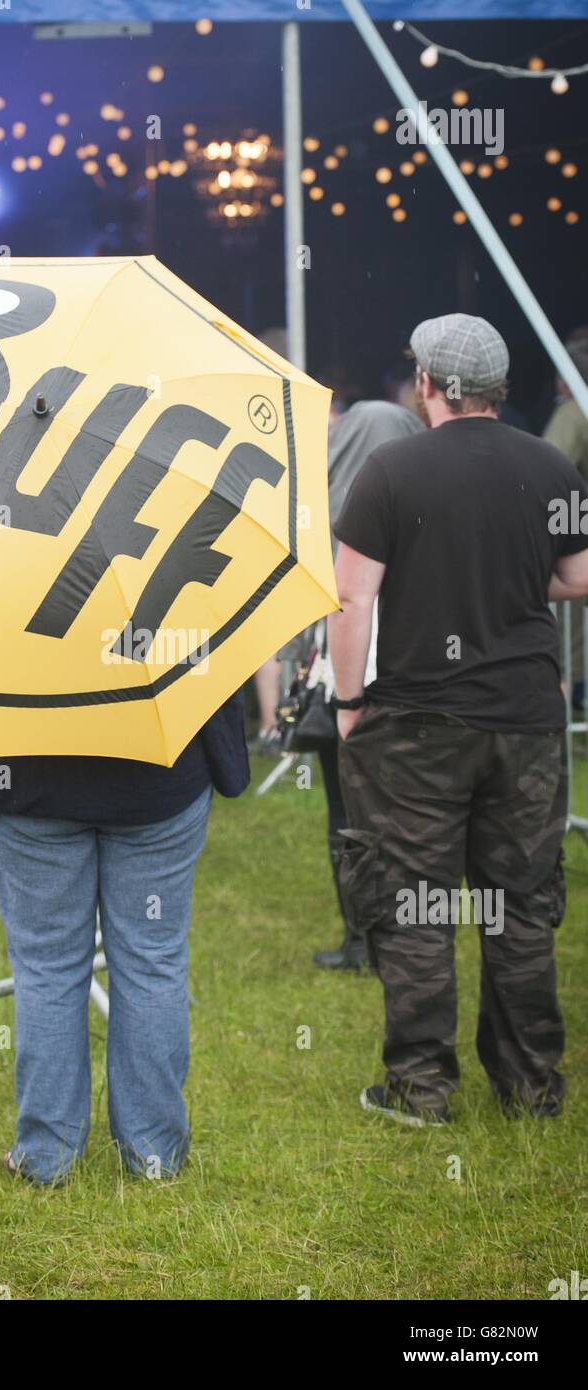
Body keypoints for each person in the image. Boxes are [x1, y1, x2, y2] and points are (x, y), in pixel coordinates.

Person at [328, 313, 588, 1126]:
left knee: (416, 905)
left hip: (415, 725)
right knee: (517, 904)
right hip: (524, 721)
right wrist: (507, 583)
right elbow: (577, 579)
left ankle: (421, 1091)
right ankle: (529, 1088)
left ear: (427, 385)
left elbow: (351, 597)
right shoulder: (549, 464)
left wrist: (344, 704)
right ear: (497, 390)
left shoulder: (390, 468)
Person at [0, 693, 249, 1185]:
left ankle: (46, 1155)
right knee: (152, 959)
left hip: (29, 769)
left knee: (47, 967)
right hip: (157, 772)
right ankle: (153, 1152)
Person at [311, 401, 425, 971]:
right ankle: (398, 941)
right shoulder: (426, 496)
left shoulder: (330, 506)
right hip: (417, 687)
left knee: (348, 814)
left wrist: (343, 695)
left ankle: (362, 941)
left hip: (354, 685)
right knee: (409, 820)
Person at [544, 334, 588, 711]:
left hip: (575, 536)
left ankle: (561, 712)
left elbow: (551, 470)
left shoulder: (573, 412)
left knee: (567, 626)